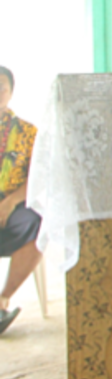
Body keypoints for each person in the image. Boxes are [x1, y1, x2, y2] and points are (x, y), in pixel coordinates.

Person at [0, 66, 42, 335]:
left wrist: (10, 201)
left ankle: (3, 300)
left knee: (41, 223)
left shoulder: (28, 132)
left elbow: (39, 177)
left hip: (12, 205)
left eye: (1, 89)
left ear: (11, 93)